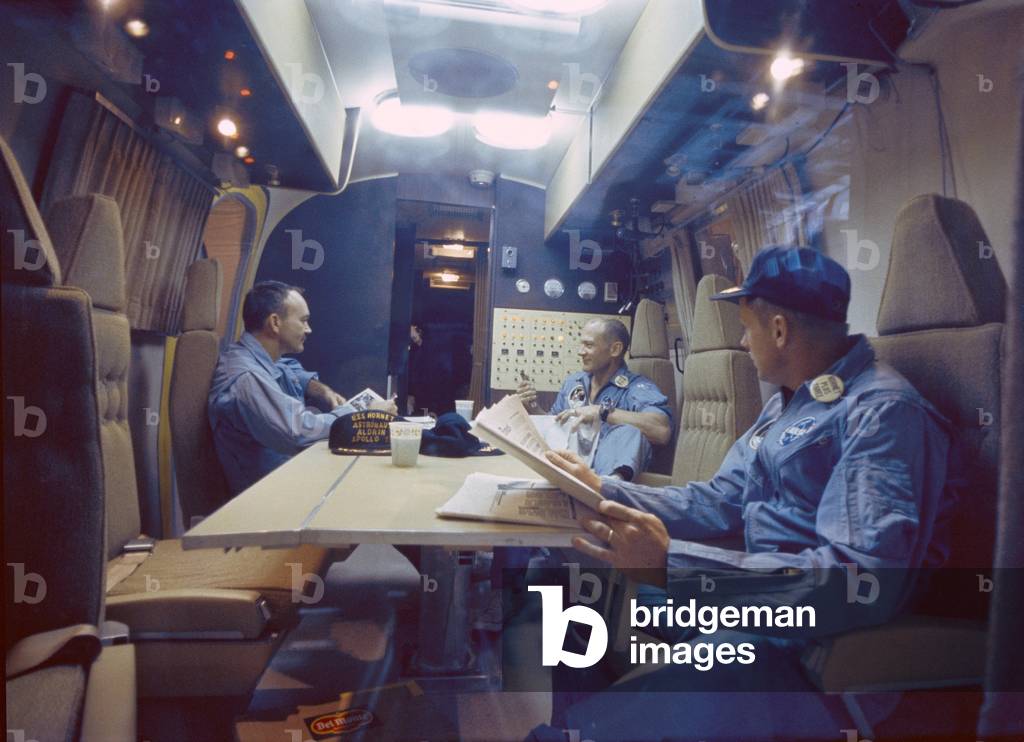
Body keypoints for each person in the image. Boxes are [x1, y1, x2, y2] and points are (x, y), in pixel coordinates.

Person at [532, 246, 956, 740]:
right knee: (579, 601)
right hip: (758, 600)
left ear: (778, 330)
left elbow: (855, 582)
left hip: (810, 642)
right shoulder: (791, 403)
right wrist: (603, 489)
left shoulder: (881, 412)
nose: (740, 340)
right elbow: (716, 501)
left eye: (746, 326)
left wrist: (677, 566)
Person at [208, 280, 395, 495]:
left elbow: (287, 368)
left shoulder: (251, 355)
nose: (309, 329)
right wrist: (363, 416)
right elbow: (298, 432)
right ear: (275, 323)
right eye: (303, 321)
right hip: (271, 497)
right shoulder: (247, 379)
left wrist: (318, 388)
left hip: (289, 479)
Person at [517, 318, 673, 480]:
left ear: (615, 349)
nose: (581, 351)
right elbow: (555, 425)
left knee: (630, 431)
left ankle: (608, 487)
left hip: (603, 476)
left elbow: (661, 430)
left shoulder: (636, 388)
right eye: (581, 344)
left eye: (589, 345)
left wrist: (602, 412)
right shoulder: (574, 383)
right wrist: (533, 407)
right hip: (566, 471)